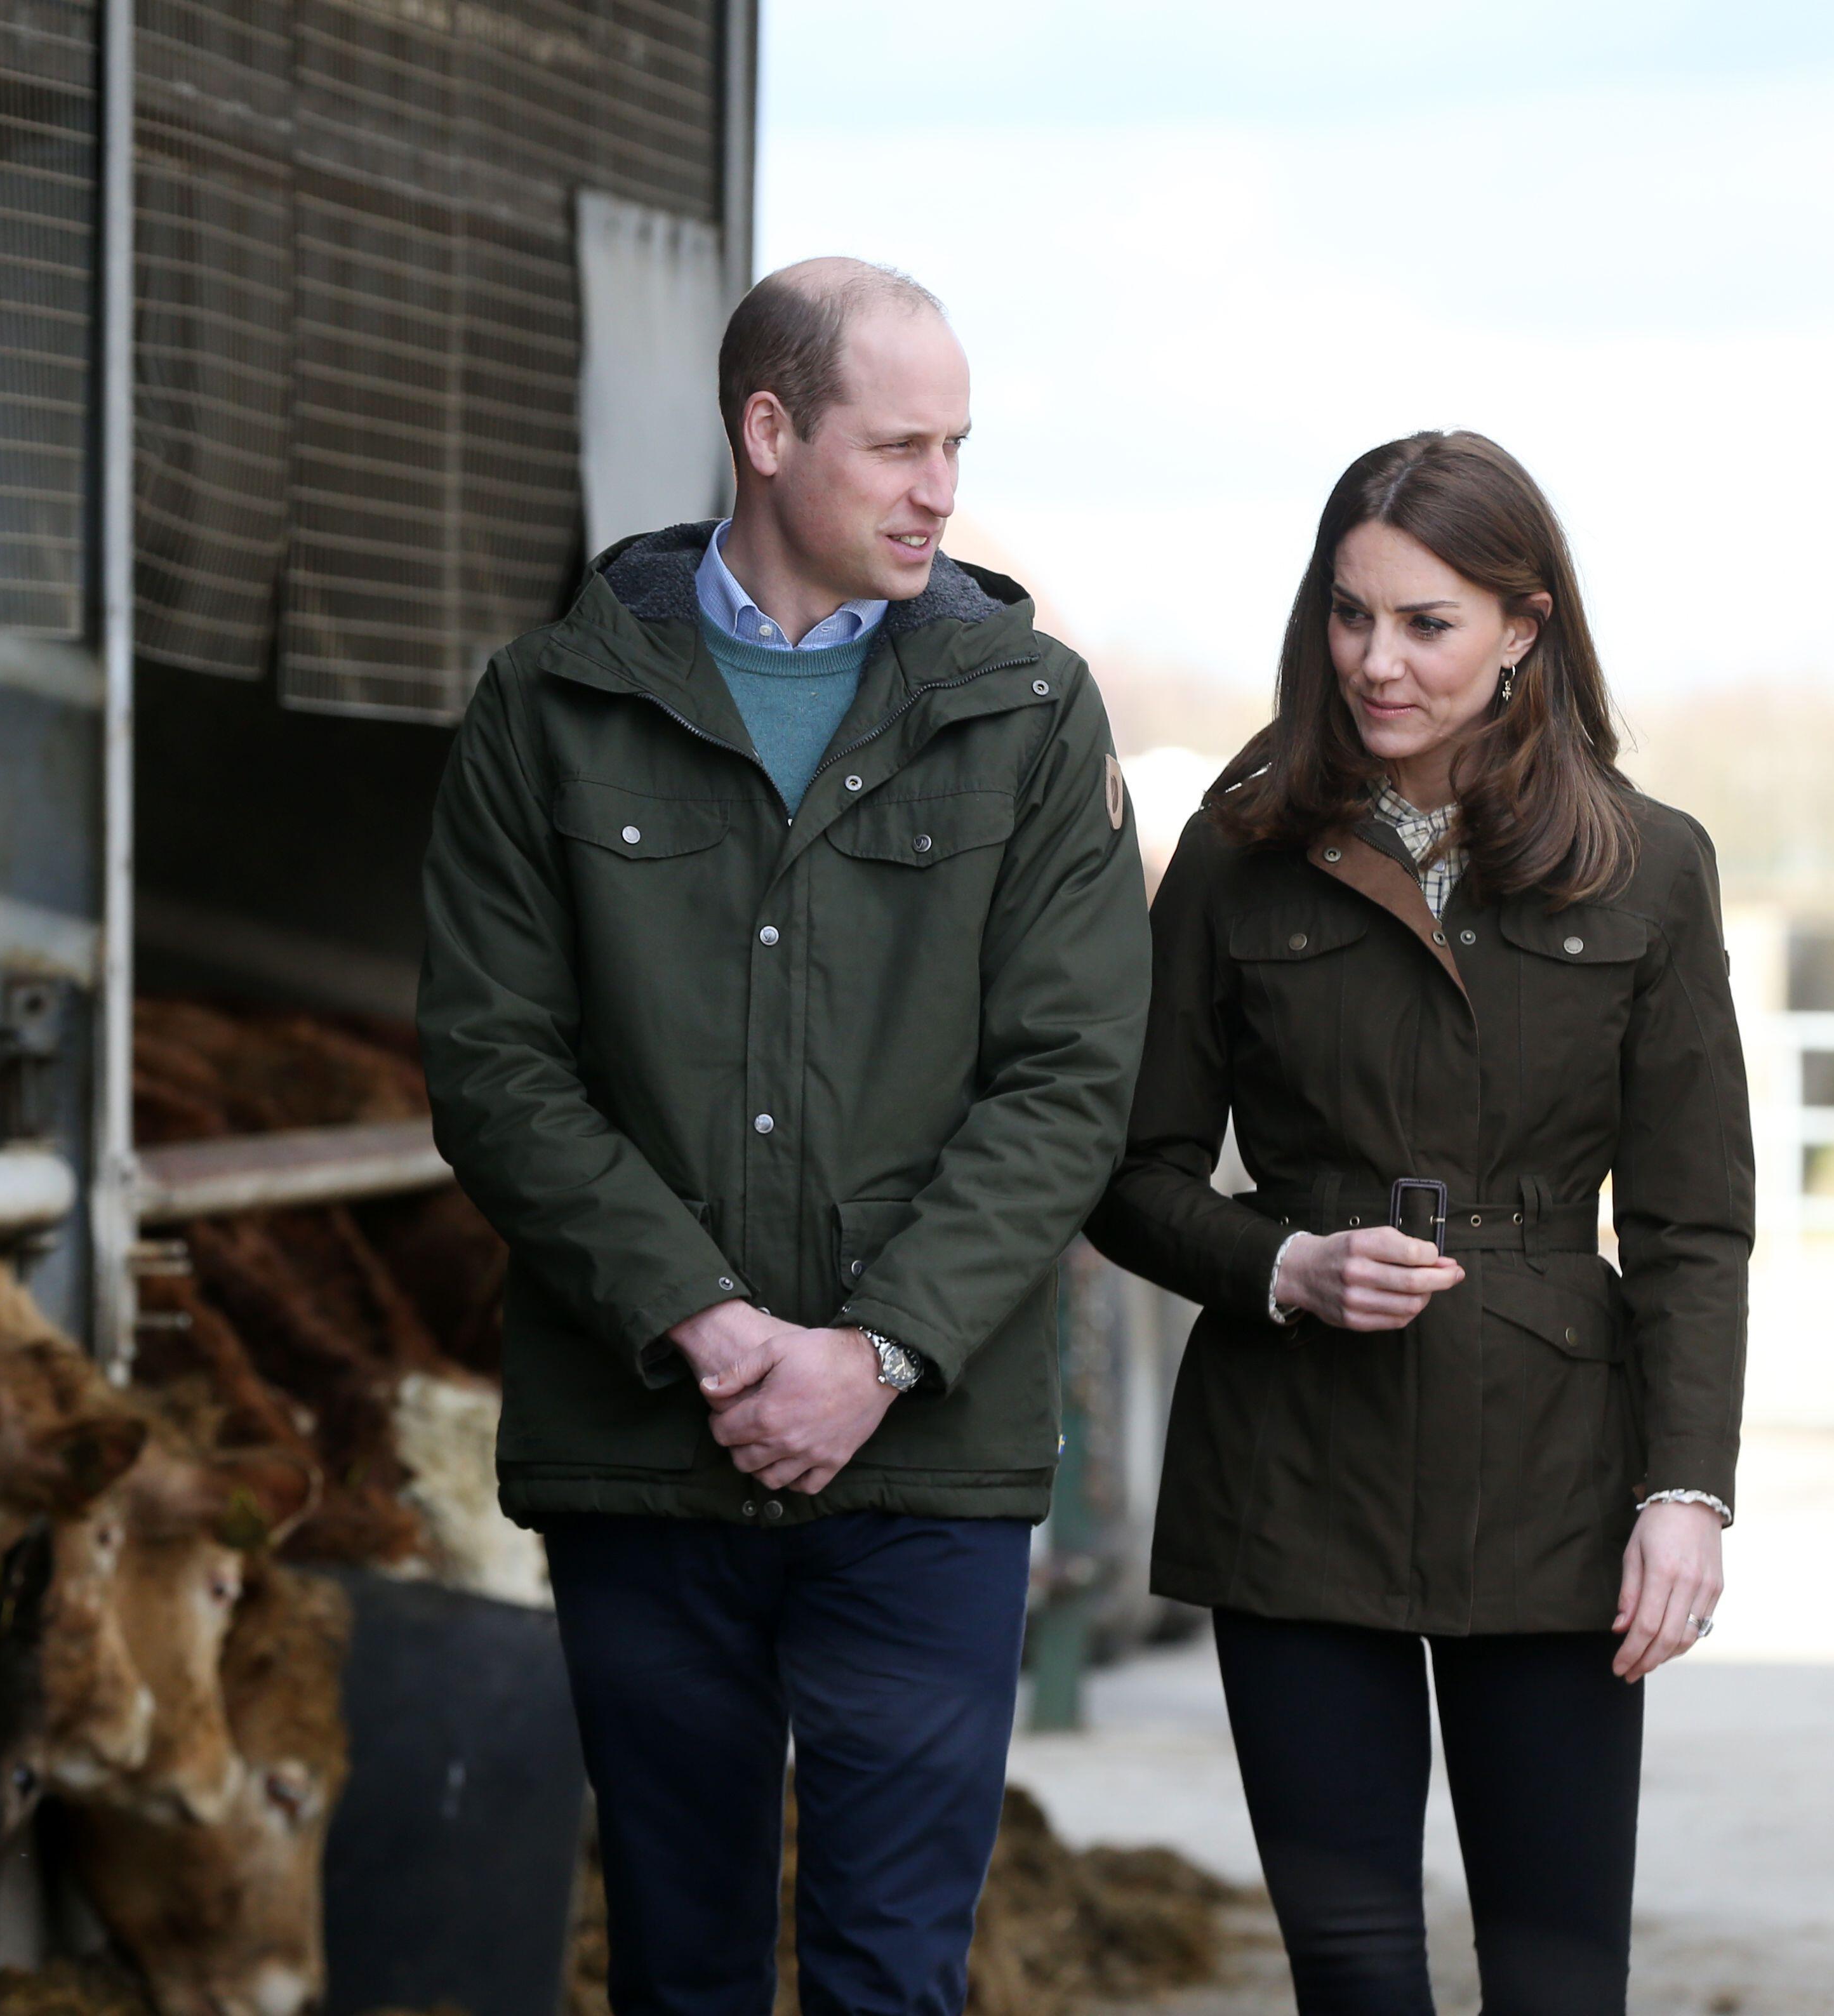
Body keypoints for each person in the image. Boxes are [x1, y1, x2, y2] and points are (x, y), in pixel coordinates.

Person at [417, 258, 1150, 2013]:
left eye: (955, 446)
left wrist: (876, 1351)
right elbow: (493, 1064)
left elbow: (1068, 1078)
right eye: (900, 445)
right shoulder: (553, 707)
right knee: (679, 1968)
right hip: (648, 1447)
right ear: (766, 431)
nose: (940, 492)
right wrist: (714, 1327)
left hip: (926, 1467)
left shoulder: (1030, 713)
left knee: (894, 1973)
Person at [1086, 430, 1752, 2016]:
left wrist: (1685, 1490)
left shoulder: (1645, 866)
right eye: (1347, 614)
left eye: (1425, 623)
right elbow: (1126, 1169)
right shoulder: (1242, 858)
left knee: (1554, 1971)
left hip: (1553, 1474)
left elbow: (1690, 1223)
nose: (1374, 661)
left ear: (1523, 624)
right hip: (1294, 1472)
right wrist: (1283, 1265)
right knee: (1354, 1971)